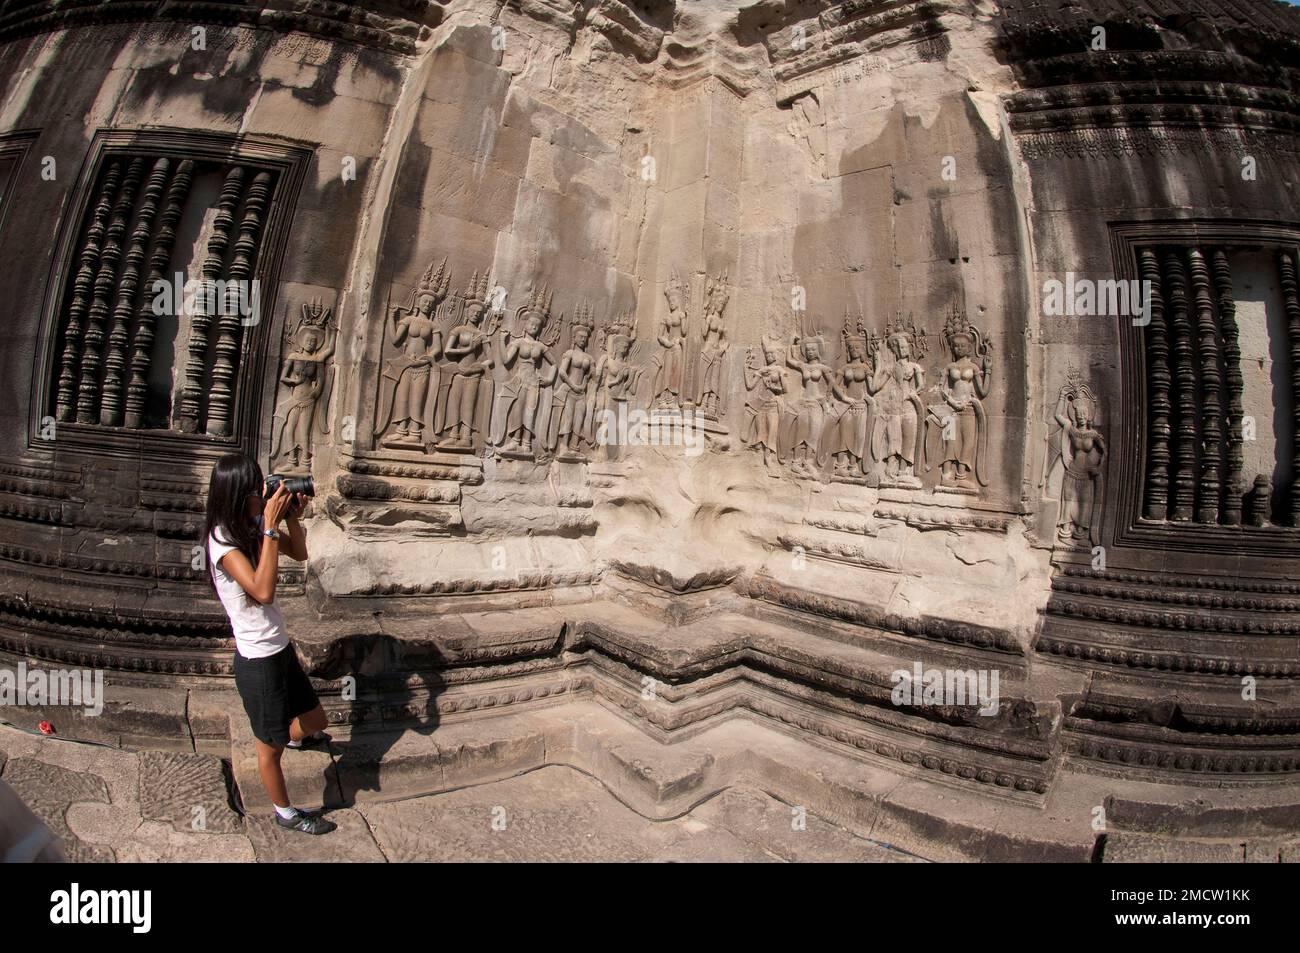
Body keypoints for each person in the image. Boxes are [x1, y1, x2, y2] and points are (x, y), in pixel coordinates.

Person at [203, 452, 335, 835]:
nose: (261, 495)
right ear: (236, 494)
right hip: (258, 662)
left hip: (279, 647)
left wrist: (290, 517)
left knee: (317, 721)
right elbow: (262, 591)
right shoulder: (222, 541)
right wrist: (271, 527)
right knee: (269, 751)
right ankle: (285, 812)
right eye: (254, 490)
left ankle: (287, 737)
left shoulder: (250, 522)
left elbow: (300, 552)